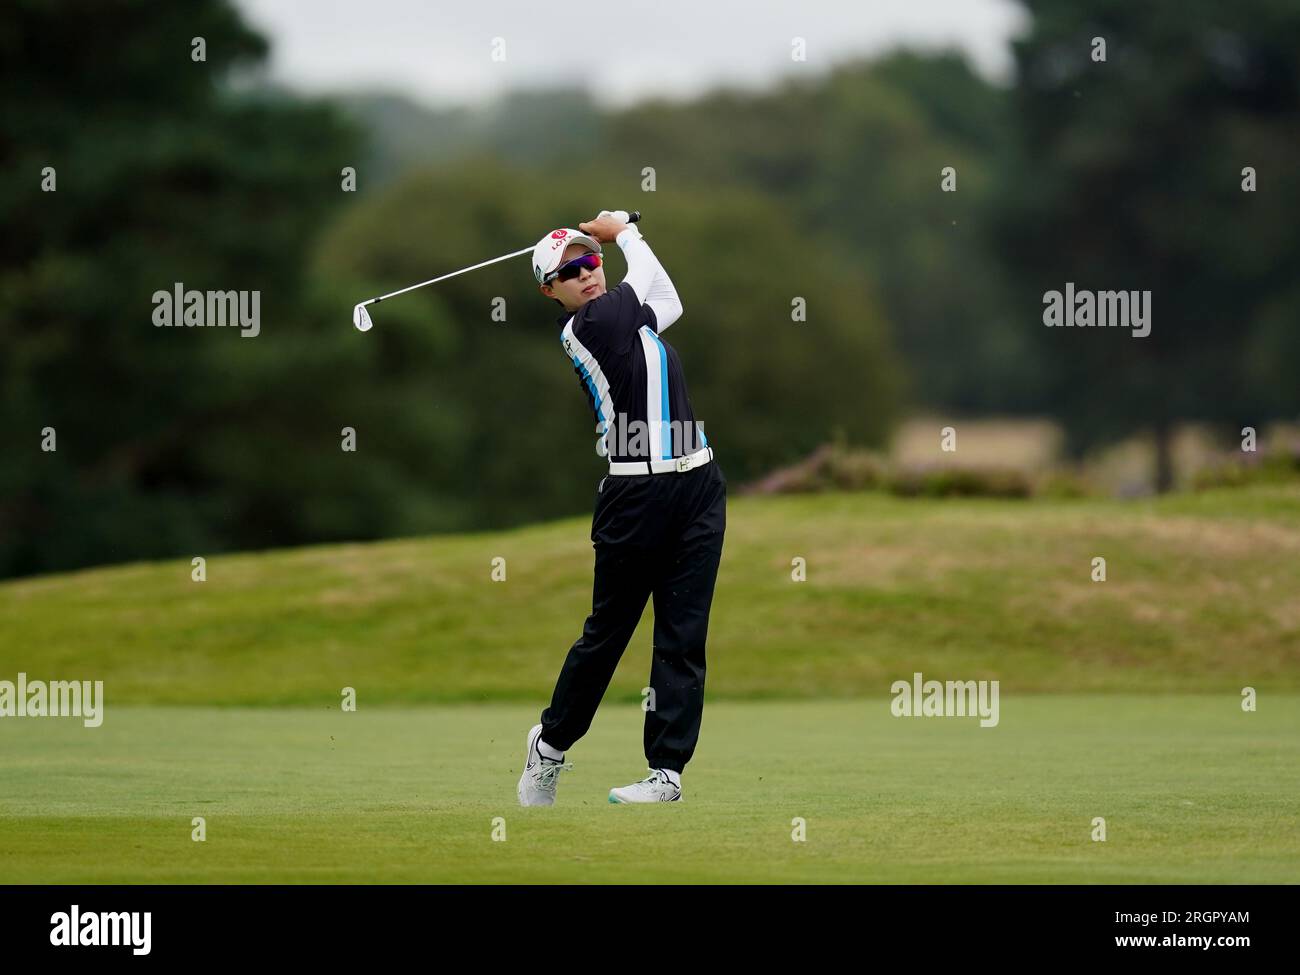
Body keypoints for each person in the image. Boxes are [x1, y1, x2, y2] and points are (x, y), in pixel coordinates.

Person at [516, 210, 726, 805]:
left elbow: (669, 297)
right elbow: (649, 275)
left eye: (591, 261)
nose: (586, 273)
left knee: (683, 635)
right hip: (636, 498)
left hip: (698, 487)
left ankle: (666, 773)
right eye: (570, 270)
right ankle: (550, 746)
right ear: (550, 290)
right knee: (608, 635)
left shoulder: (634, 323)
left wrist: (619, 239)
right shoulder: (591, 326)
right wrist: (621, 231)